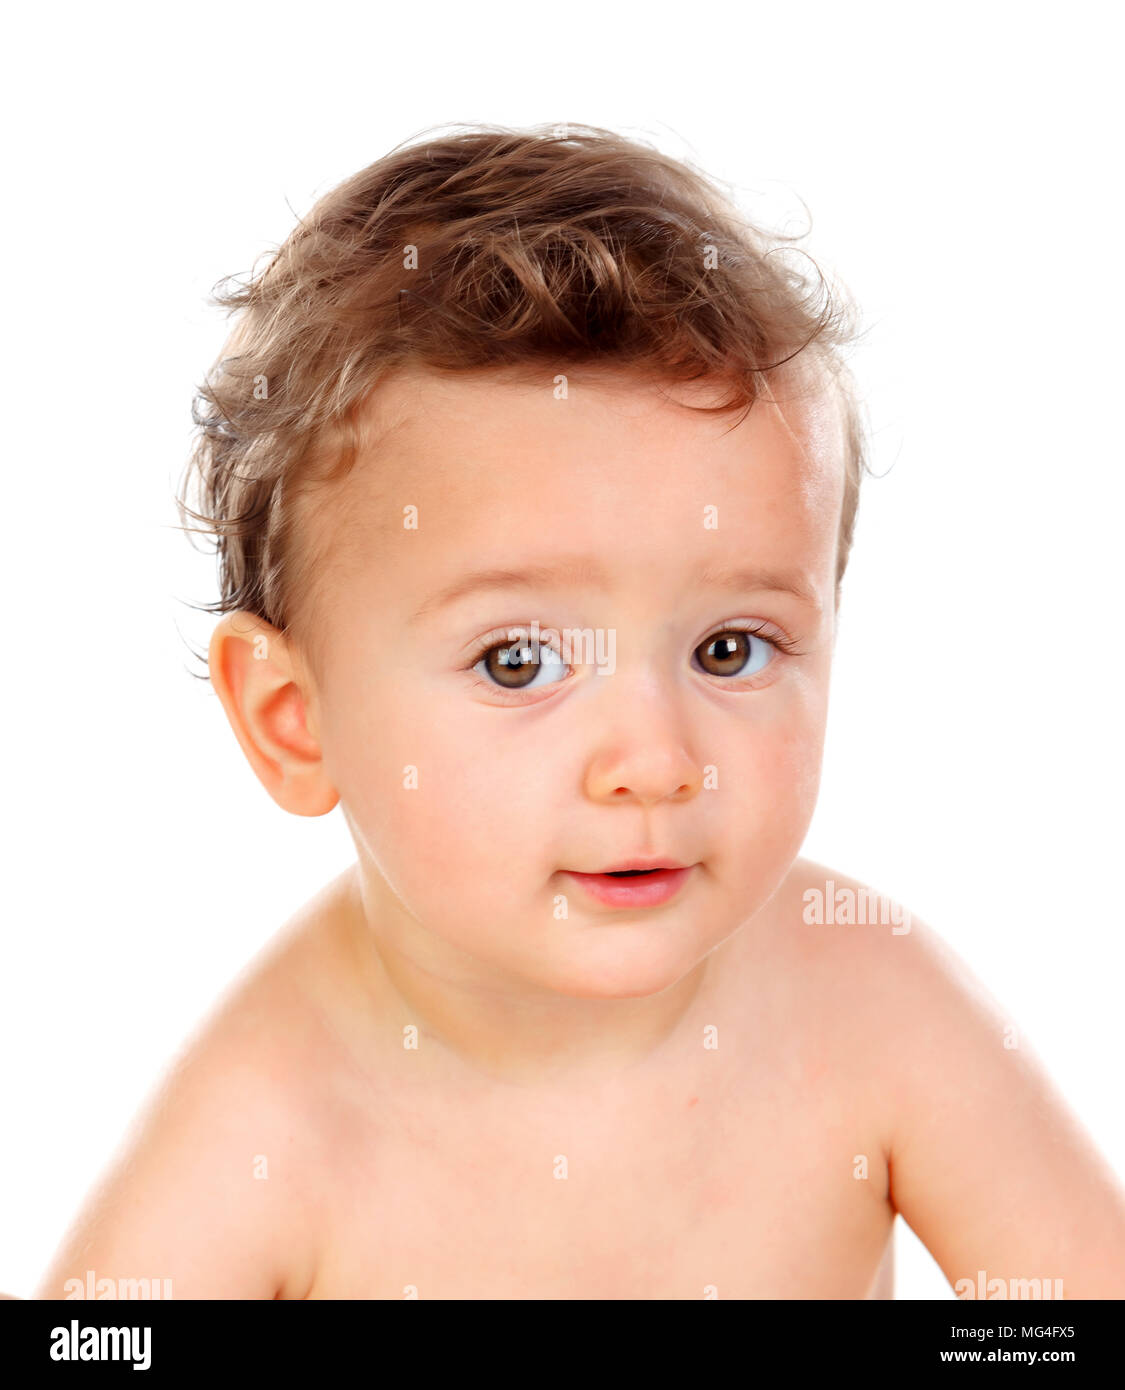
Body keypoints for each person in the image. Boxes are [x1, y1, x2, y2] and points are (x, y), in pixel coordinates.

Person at [35, 123, 1125, 1299]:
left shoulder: (868, 998)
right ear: (295, 720)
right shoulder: (266, 1136)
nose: (654, 763)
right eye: (517, 662)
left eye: (729, 646)